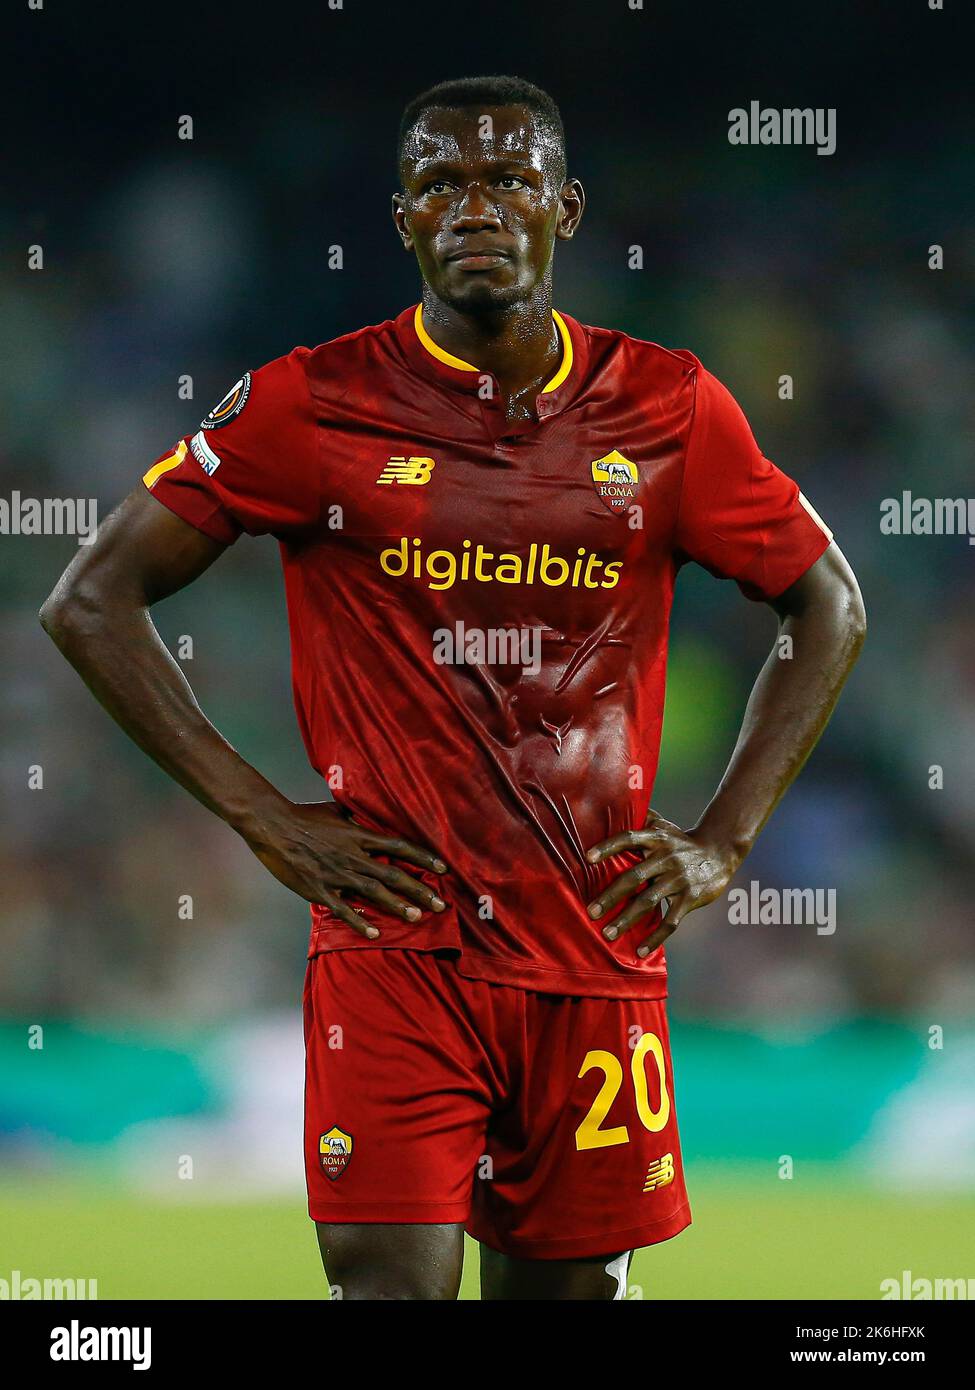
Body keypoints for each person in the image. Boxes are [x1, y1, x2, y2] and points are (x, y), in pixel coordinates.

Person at [40, 74, 866, 1300]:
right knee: (389, 1287)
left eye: (507, 180)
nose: (474, 206)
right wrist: (261, 815)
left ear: (566, 207)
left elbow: (829, 603)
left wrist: (724, 841)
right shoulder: (308, 404)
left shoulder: (669, 408)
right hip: (394, 946)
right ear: (404, 221)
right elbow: (89, 600)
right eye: (441, 185)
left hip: (591, 947)